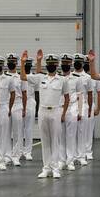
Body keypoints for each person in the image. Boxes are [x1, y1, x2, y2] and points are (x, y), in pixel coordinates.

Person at [28, 51, 67, 179]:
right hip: (43, 111)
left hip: (55, 111)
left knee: (55, 140)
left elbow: (67, 97)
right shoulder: (41, 78)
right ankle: (46, 168)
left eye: (53, 63)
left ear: (57, 65)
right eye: (48, 63)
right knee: (45, 141)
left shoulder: (62, 80)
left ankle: (55, 168)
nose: (51, 65)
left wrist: (64, 112)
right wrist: (28, 62)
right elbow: (23, 77)